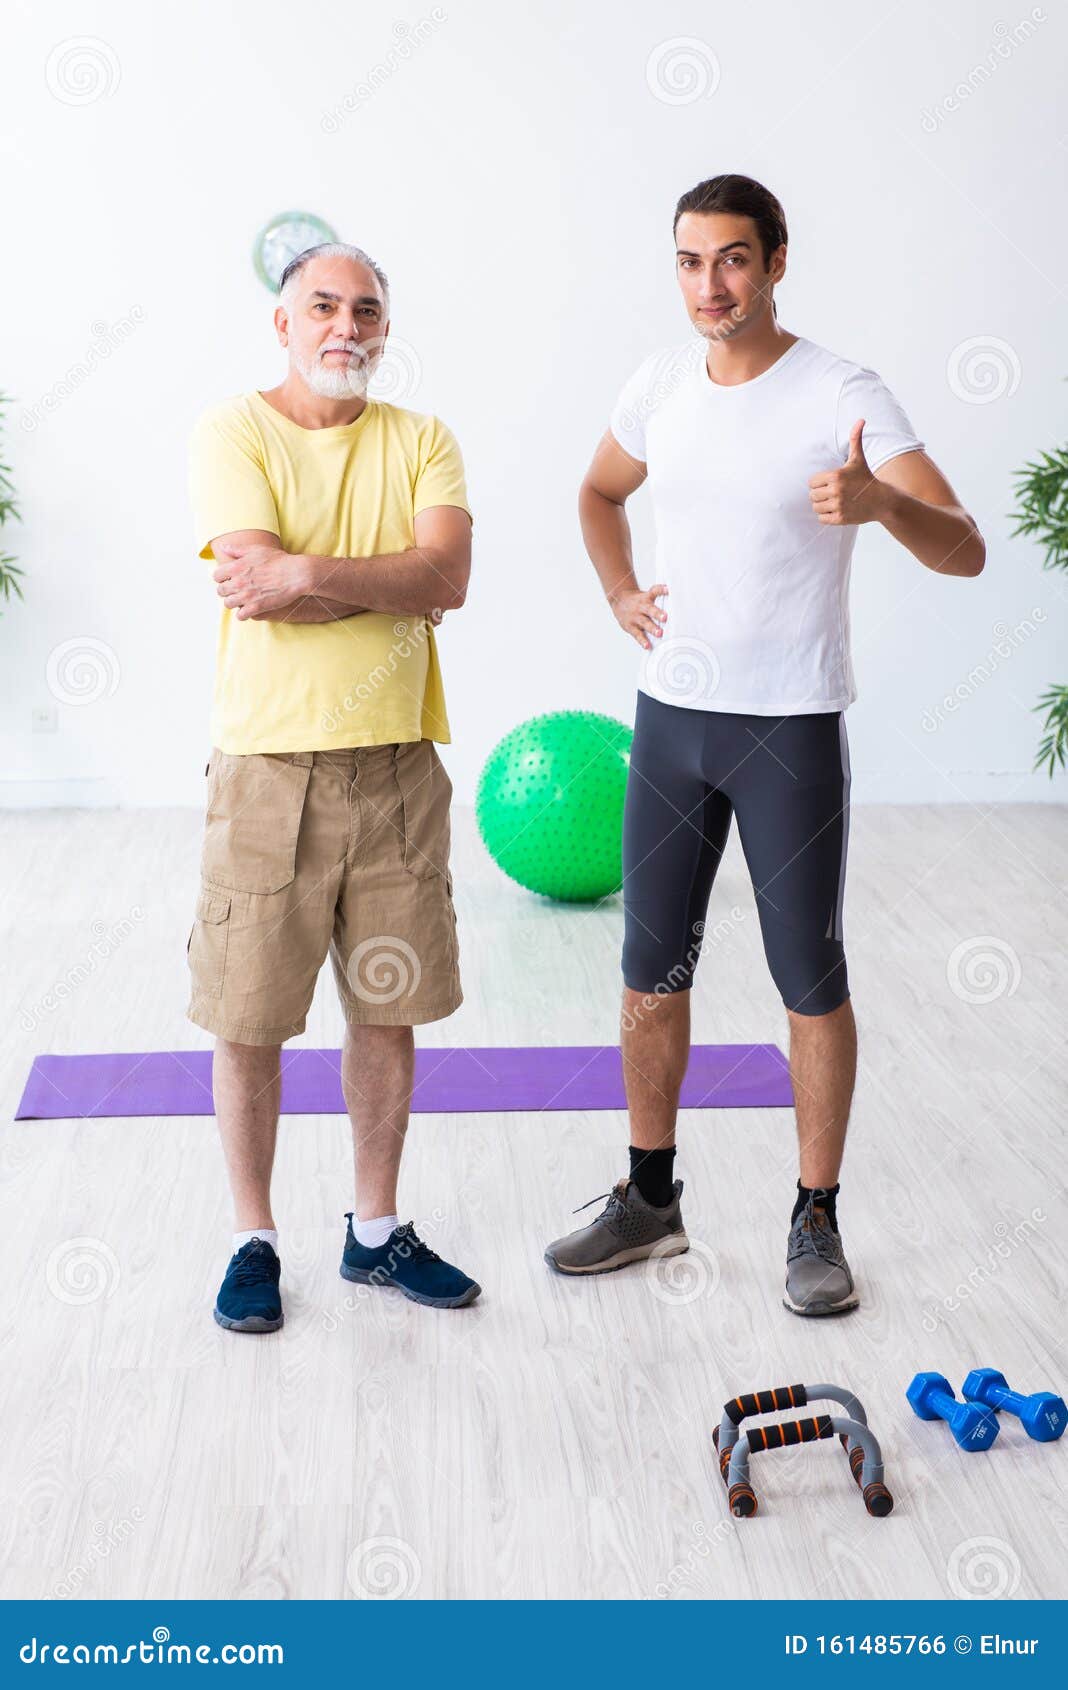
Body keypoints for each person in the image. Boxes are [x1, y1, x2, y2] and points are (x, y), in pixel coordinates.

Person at [544, 175, 985, 1314]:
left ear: (777, 261)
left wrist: (882, 505)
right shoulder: (658, 384)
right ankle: (651, 1199)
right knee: (649, 972)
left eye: (733, 259)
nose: (711, 286)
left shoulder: (842, 392)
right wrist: (619, 591)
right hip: (671, 724)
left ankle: (816, 1218)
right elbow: (597, 493)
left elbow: (966, 547)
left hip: (789, 730)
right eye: (690, 262)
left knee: (808, 978)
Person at [186, 242, 479, 1332]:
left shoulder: (423, 439)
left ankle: (374, 1230)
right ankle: (253, 1238)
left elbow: (447, 575)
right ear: (284, 323)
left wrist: (306, 571)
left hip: (397, 767)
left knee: (387, 1010)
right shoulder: (232, 431)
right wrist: (388, 585)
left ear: (384, 329)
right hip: (268, 770)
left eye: (365, 310)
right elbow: (250, 586)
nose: (345, 326)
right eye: (323, 306)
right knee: (249, 1016)